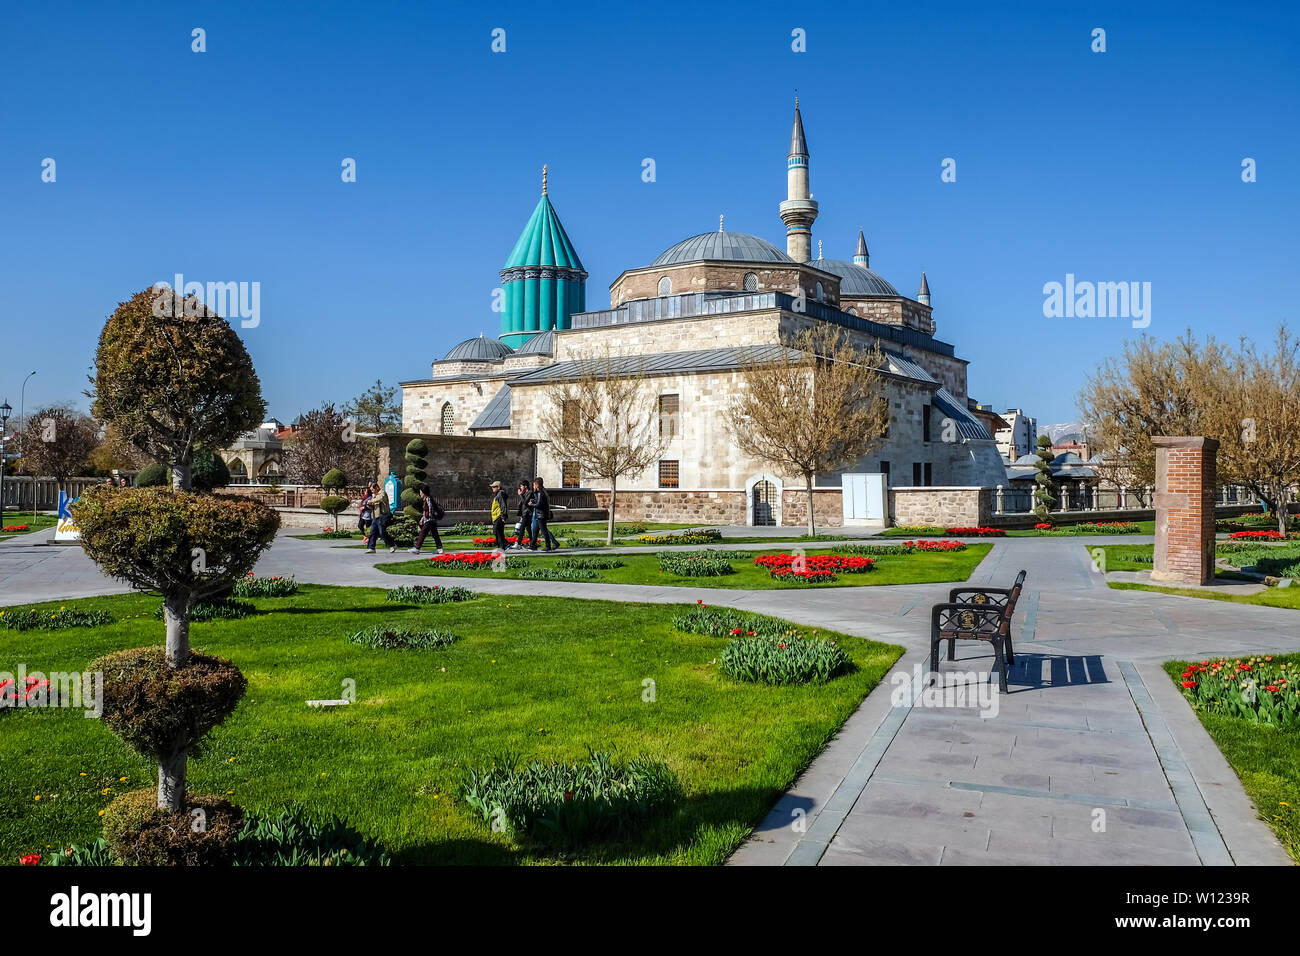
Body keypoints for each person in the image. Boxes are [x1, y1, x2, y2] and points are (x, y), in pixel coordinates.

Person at [410, 485, 445, 555]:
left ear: (423, 492)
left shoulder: (428, 499)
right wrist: (422, 519)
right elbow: (425, 511)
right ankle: (439, 549)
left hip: (429, 520)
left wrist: (427, 518)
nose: (420, 494)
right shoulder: (427, 499)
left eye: (420, 492)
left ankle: (417, 548)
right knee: (435, 534)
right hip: (431, 520)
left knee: (422, 533)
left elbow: (430, 509)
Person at [365, 482, 397, 554]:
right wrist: (368, 505)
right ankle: (371, 547)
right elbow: (373, 505)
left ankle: (392, 545)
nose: (372, 491)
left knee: (382, 532)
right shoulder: (374, 496)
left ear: (376, 488)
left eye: (372, 490)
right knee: (373, 532)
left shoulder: (382, 493)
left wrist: (371, 501)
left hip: (383, 516)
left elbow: (380, 499)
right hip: (376, 516)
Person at [530, 476, 560, 552]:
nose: (533, 486)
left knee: (544, 531)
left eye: (534, 485)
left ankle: (548, 546)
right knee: (535, 530)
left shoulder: (541, 493)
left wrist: (532, 504)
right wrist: (534, 495)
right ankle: (532, 545)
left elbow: (539, 504)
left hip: (541, 515)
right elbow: (537, 500)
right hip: (539, 514)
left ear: (537, 484)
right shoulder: (540, 492)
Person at [510, 479, 534, 550]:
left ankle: (519, 544)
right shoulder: (525, 493)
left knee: (522, 529)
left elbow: (525, 503)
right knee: (528, 529)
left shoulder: (530, 493)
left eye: (521, 486)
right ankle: (533, 543)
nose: (520, 488)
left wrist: (520, 495)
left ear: (525, 486)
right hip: (525, 513)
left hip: (527, 513)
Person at [489, 479, 509, 551]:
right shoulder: (499, 494)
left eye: (494, 487)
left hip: (499, 516)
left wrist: (503, 516)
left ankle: (502, 547)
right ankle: (503, 545)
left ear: (498, 487)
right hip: (497, 517)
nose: (492, 488)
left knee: (498, 532)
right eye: (492, 487)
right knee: (497, 532)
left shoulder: (500, 494)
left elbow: (503, 506)